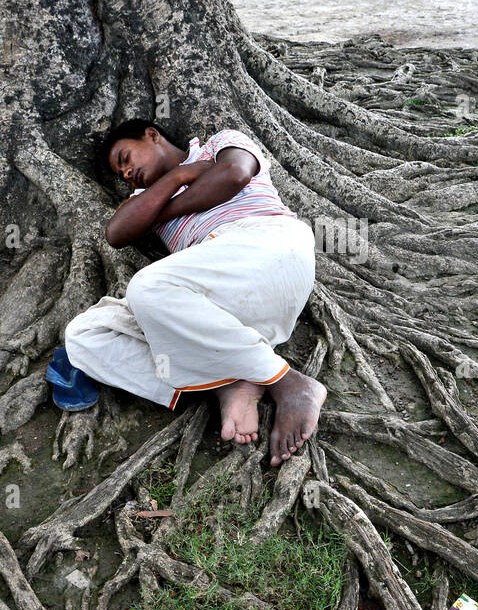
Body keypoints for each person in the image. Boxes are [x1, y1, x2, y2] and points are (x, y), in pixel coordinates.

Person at [63, 120, 326, 467]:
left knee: (145, 289)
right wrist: (175, 179)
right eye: (121, 173)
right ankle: (230, 381)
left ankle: (288, 383)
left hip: (268, 246)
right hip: (215, 305)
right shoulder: (145, 199)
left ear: (152, 135)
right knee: (83, 336)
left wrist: (161, 211)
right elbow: (117, 232)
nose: (128, 172)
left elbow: (234, 174)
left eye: (126, 157)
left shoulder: (218, 144)